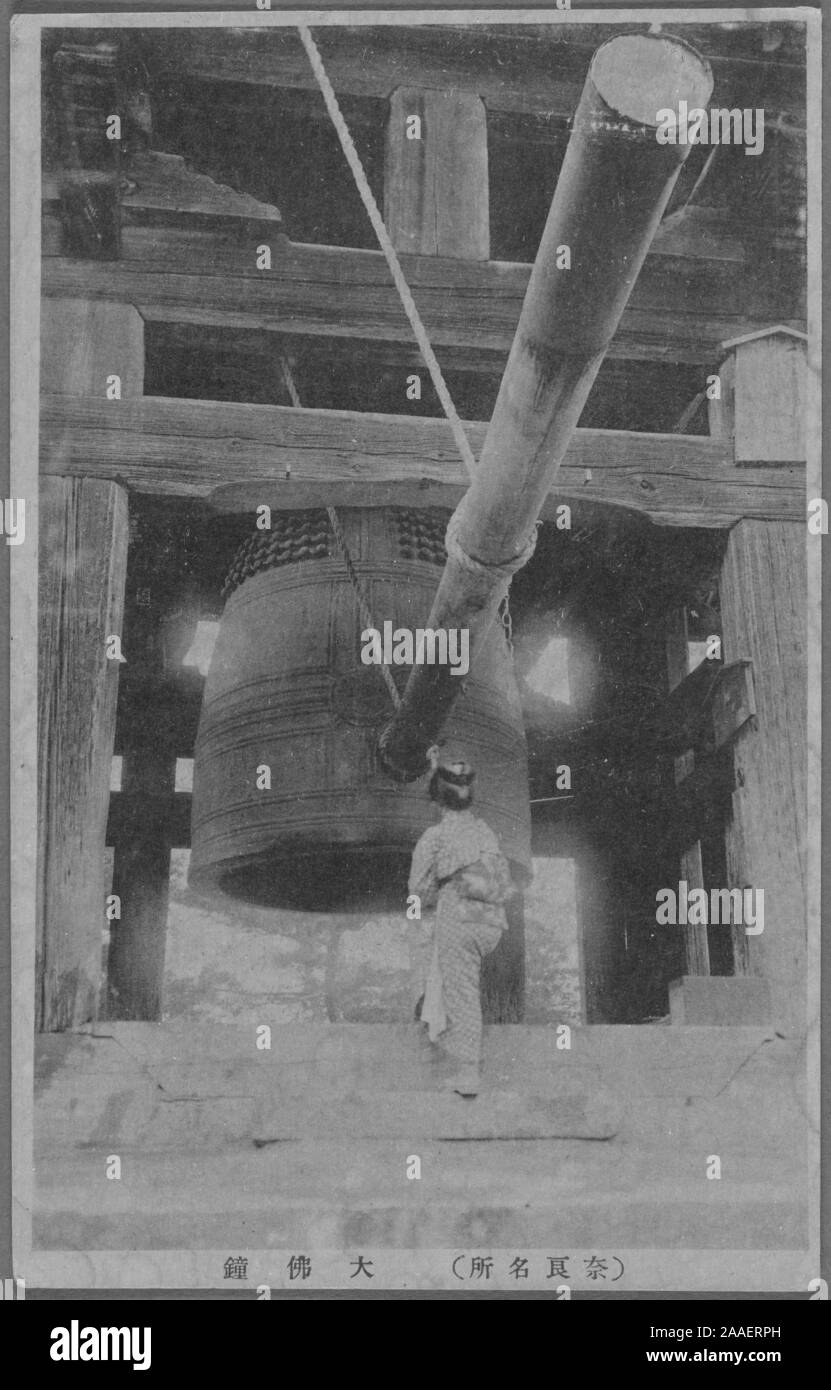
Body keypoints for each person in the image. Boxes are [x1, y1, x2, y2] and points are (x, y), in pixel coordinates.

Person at [407, 750, 514, 1097]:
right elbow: (499, 877)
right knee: (463, 985)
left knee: (460, 992)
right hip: (492, 920)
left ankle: (468, 1072)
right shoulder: (485, 831)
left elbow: (418, 891)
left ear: (437, 799)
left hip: (459, 914)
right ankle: (460, 1058)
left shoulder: (434, 838)